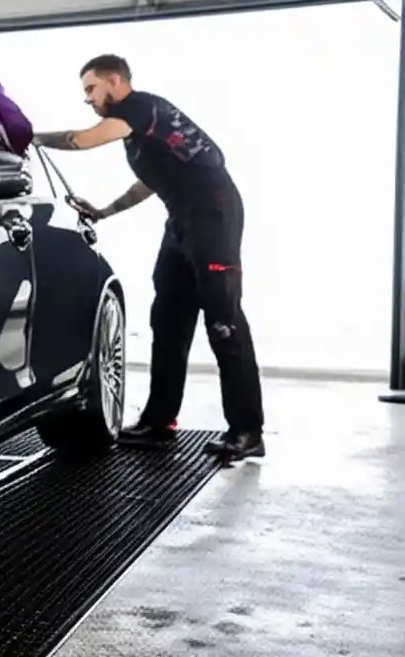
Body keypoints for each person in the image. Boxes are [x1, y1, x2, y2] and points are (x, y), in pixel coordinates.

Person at [33, 54, 265, 461]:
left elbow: (81, 140)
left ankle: (248, 431)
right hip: (181, 223)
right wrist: (104, 211)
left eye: (91, 88)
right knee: (168, 319)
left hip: (214, 216)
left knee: (224, 322)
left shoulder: (138, 106)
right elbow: (150, 183)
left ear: (115, 81)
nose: (88, 99)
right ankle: (159, 420)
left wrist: (30, 137)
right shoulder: (139, 132)